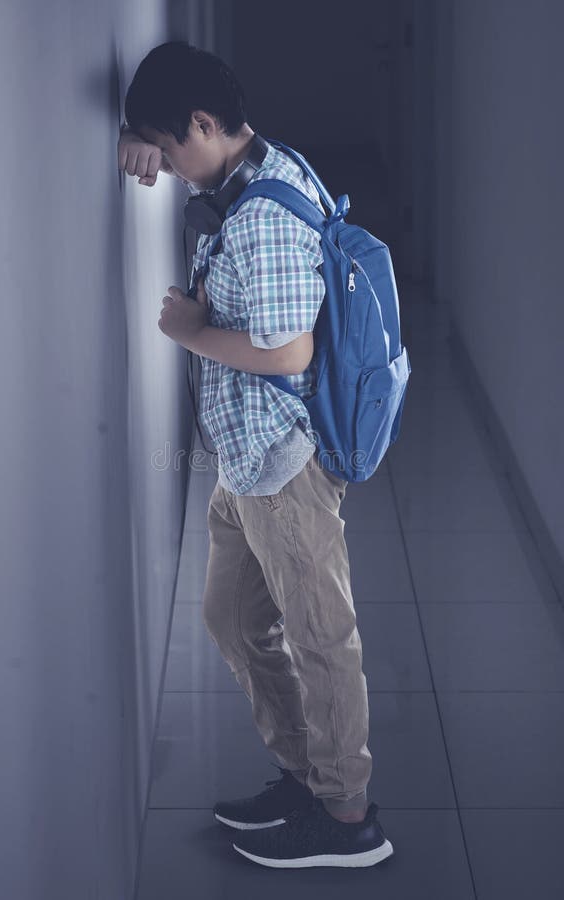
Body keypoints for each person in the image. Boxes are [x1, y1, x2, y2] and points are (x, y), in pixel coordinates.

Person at [118, 40, 393, 870]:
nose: (167, 167)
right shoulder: (253, 161)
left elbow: (290, 352)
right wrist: (135, 136)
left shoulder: (266, 216)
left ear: (203, 124)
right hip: (246, 463)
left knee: (320, 635)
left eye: (170, 150)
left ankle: (348, 820)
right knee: (232, 618)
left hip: (285, 464)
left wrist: (189, 332)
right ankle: (304, 775)